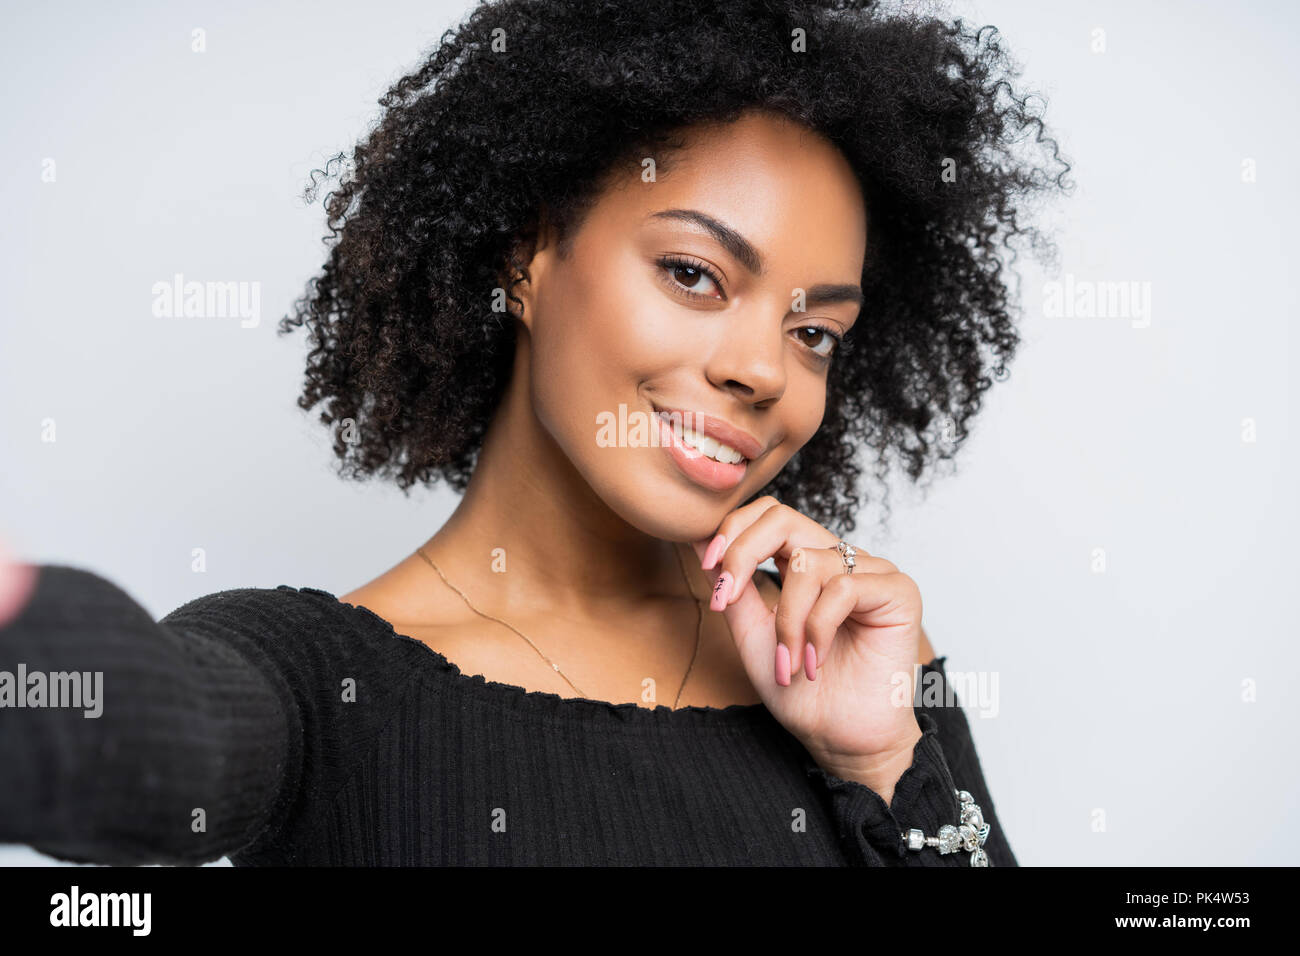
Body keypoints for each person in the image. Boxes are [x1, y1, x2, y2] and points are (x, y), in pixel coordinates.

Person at [0, 0, 1069, 866]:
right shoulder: (325, 684)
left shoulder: (854, 667)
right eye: (694, 273)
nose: (762, 367)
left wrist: (884, 761)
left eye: (815, 331)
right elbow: (151, 732)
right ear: (529, 254)